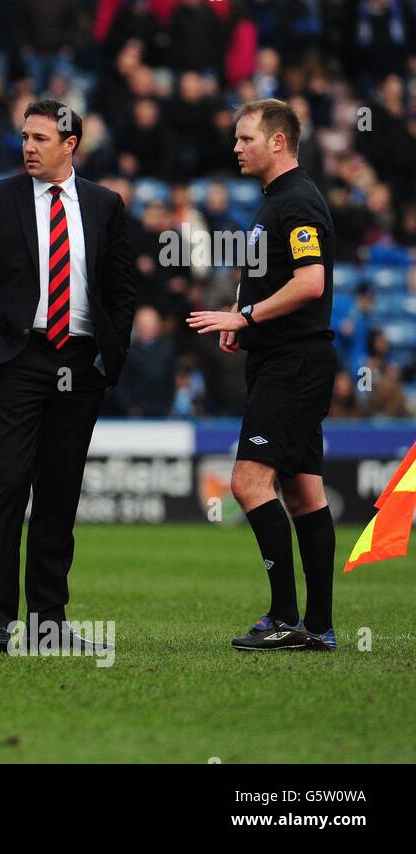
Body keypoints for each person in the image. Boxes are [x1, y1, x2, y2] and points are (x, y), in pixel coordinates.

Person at [0, 99, 136, 654]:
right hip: (17, 361)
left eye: (40, 138)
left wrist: (110, 357)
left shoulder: (106, 205)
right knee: (6, 487)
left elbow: (122, 290)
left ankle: (48, 621)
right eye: (24, 137)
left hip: (79, 364)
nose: (28, 147)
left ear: (70, 144)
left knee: (60, 493)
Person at [187, 98, 339, 652]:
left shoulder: (297, 200)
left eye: (245, 137)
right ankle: (318, 628)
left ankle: (283, 616)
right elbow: (268, 275)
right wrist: (243, 319)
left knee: (247, 483)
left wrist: (244, 316)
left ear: (278, 141)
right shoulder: (275, 200)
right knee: (302, 493)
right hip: (282, 355)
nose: (236, 147)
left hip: (294, 361)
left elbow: (310, 283)